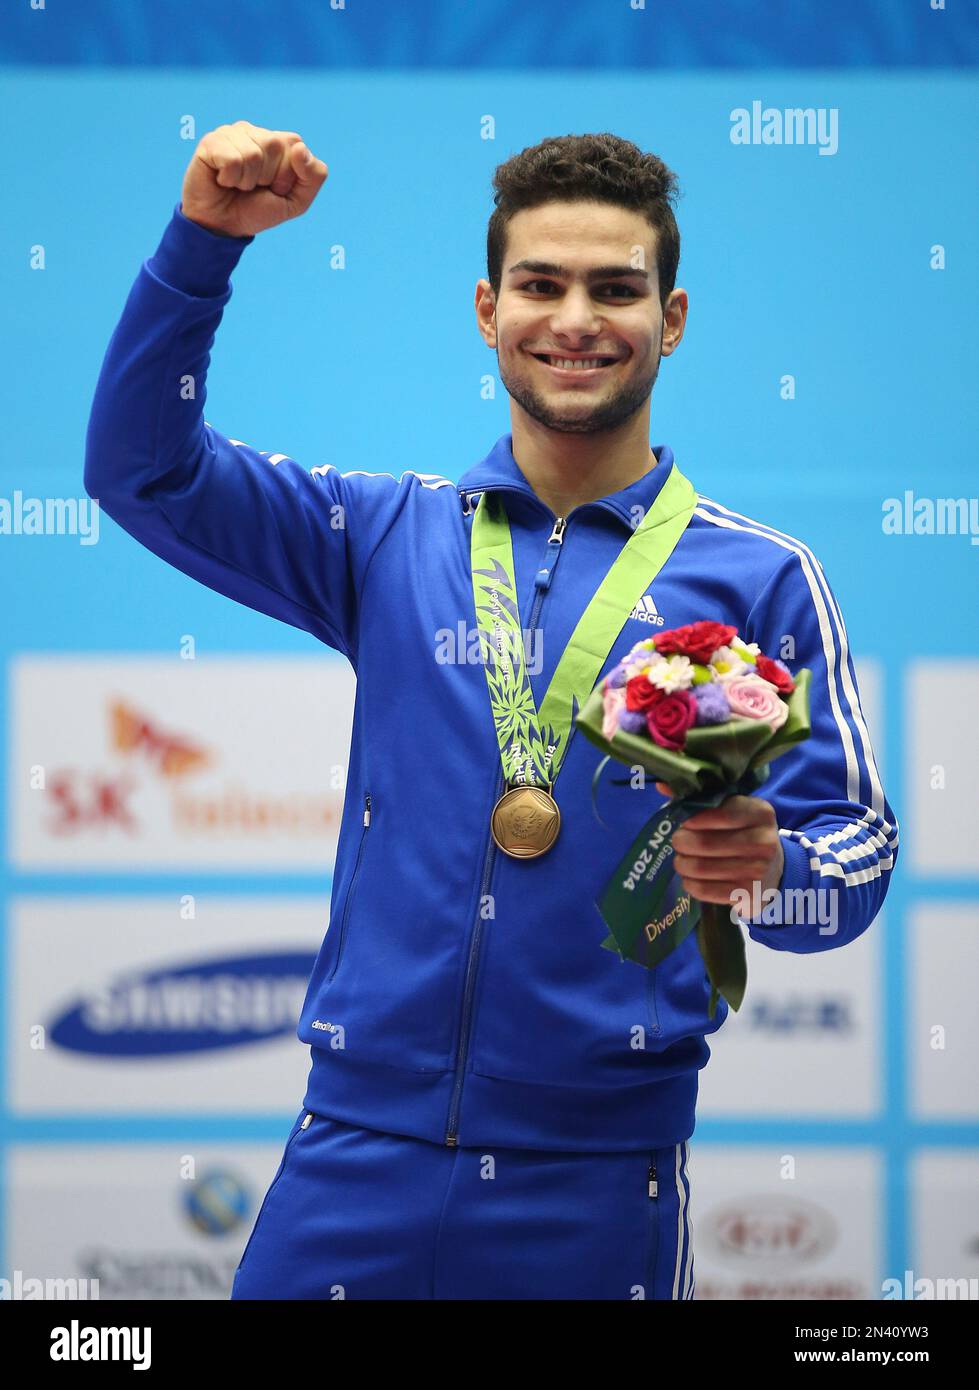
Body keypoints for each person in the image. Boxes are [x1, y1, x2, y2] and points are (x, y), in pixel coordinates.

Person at [83, 125, 899, 1300]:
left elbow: (852, 864)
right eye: (540, 285)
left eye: (616, 289)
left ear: (671, 320)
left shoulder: (762, 577)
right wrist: (203, 244)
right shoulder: (380, 536)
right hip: (353, 1157)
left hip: (599, 1176)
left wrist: (772, 870)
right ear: (487, 309)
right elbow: (141, 473)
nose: (576, 318)